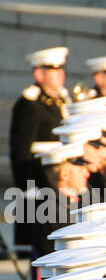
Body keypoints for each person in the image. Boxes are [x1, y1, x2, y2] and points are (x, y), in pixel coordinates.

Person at [9, 46, 71, 193]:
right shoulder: (30, 104)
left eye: (61, 69)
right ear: (39, 74)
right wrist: (26, 189)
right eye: (54, 70)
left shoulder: (62, 100)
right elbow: (21, 152)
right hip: (39, 179)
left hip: (61, 178)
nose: (61, 74)